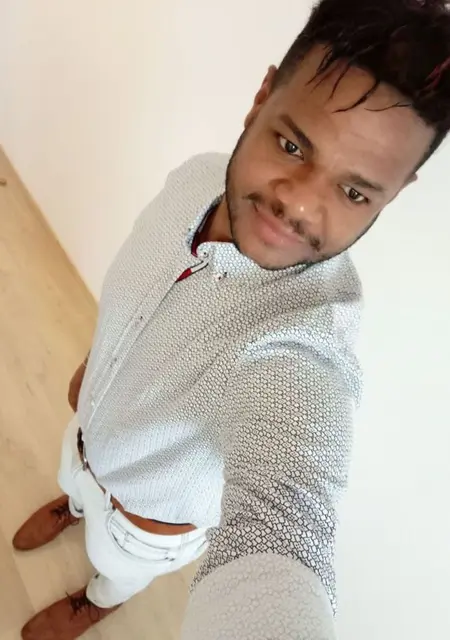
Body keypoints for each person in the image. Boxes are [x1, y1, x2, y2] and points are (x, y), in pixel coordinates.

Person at [13, 1, 450, 639]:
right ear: (261, 99)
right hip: (84, 436)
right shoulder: (195, 178)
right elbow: (142, 295)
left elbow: (286, 523)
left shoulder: (306, 350)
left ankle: (98, 600)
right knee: (74, 483)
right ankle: (74, 504)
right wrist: (96, 364)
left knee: (116, 569)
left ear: (396, 191)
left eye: (354, 191)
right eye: (292, 145)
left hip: (142, 528)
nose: (300, 206)